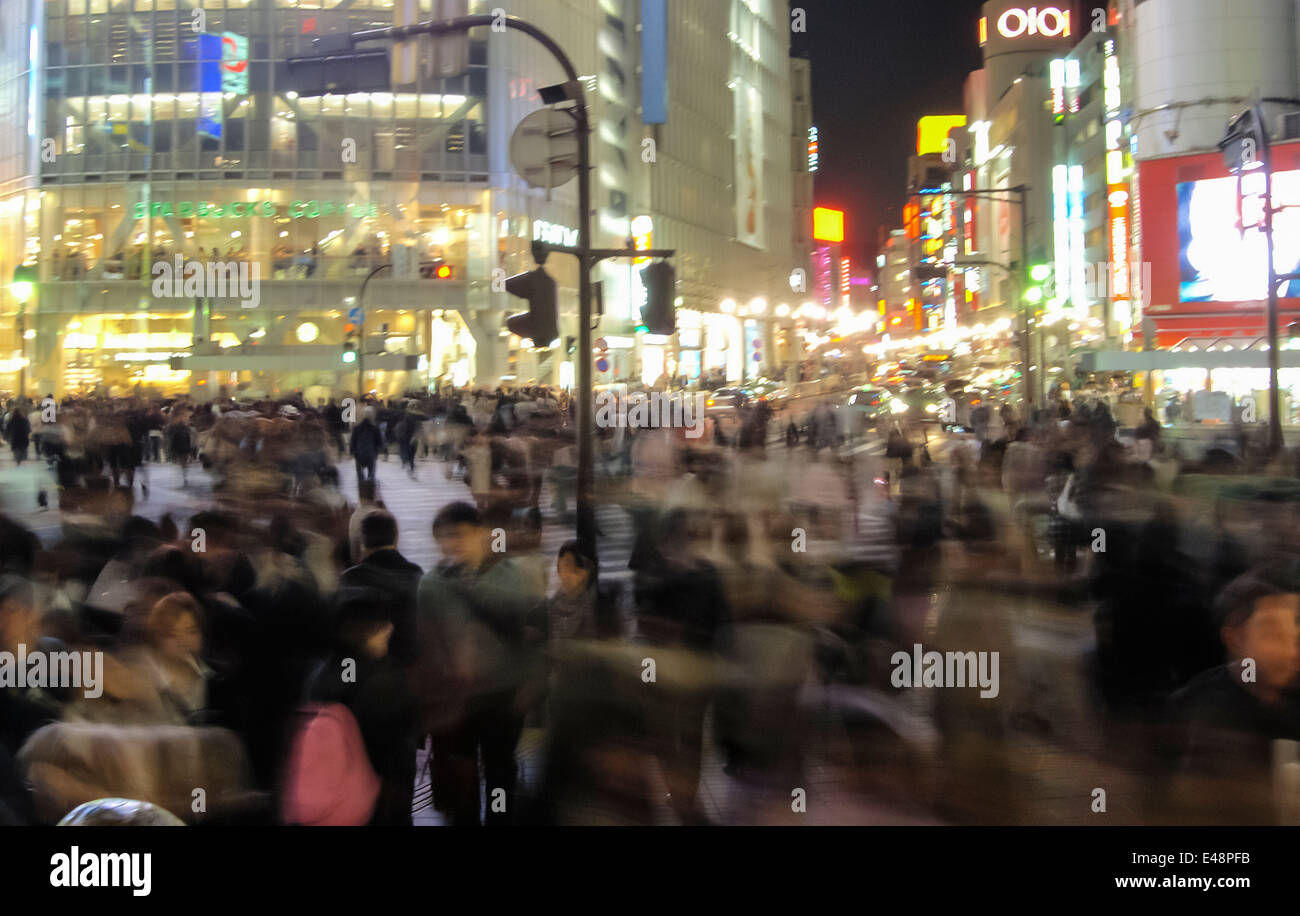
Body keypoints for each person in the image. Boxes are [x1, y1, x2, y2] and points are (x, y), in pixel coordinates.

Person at [416, 502, 544, 825]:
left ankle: (499, 818)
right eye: (443, 538)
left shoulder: (513, 578)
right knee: (462, 775)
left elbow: (531, 637)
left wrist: (532, 684)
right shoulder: (430, 586)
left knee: (500, 769)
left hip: (504, 696)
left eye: (458, 535)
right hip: (458, 701)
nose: (450, 544)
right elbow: (426, 646)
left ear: (482, 535)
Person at [1172, 570, 1300, 823]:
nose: (1292, 650)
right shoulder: (1198, 713)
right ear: (1235, 637)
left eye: (1297, 631)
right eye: (1274, 635)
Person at [338, 510, 423, 665]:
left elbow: (345, 644)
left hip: (364, 669)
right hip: (407, 665)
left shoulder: (351, 578)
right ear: (396, 538)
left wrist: (348, 679)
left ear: (362, 540)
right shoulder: (416, 574)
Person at [349, 408, 384, 485]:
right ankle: (369, 488)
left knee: (360, 474)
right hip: (370, 453)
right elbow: (379, 443)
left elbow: (353, 441)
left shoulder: (357, 428)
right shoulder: (375, 429)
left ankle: (362, 489)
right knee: (371, 473)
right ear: (372, 416)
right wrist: (377, 452)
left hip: (359, 453)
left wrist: (352, 451)